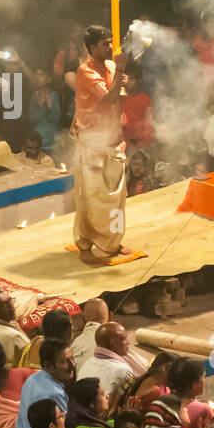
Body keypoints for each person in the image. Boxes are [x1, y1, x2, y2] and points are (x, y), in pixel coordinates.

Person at [72, 24, 130, 265]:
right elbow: (108, 96)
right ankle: (85, 244)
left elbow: (120, 95)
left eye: (111, 42)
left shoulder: (111, 66)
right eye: (105, 44)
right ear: (91, 47)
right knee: (90, 196)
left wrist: (121, 76)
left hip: (113, 139)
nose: (110, 47)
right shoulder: (85, 71)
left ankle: (112, 241)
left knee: (118, 195)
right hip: (92, 142)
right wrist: (120, 74)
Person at [14, 338, 75, 428]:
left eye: (72, 359)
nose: (72, 365)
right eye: (64, 361)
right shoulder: (54, 393)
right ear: (48, 366)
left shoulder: (32, 379)